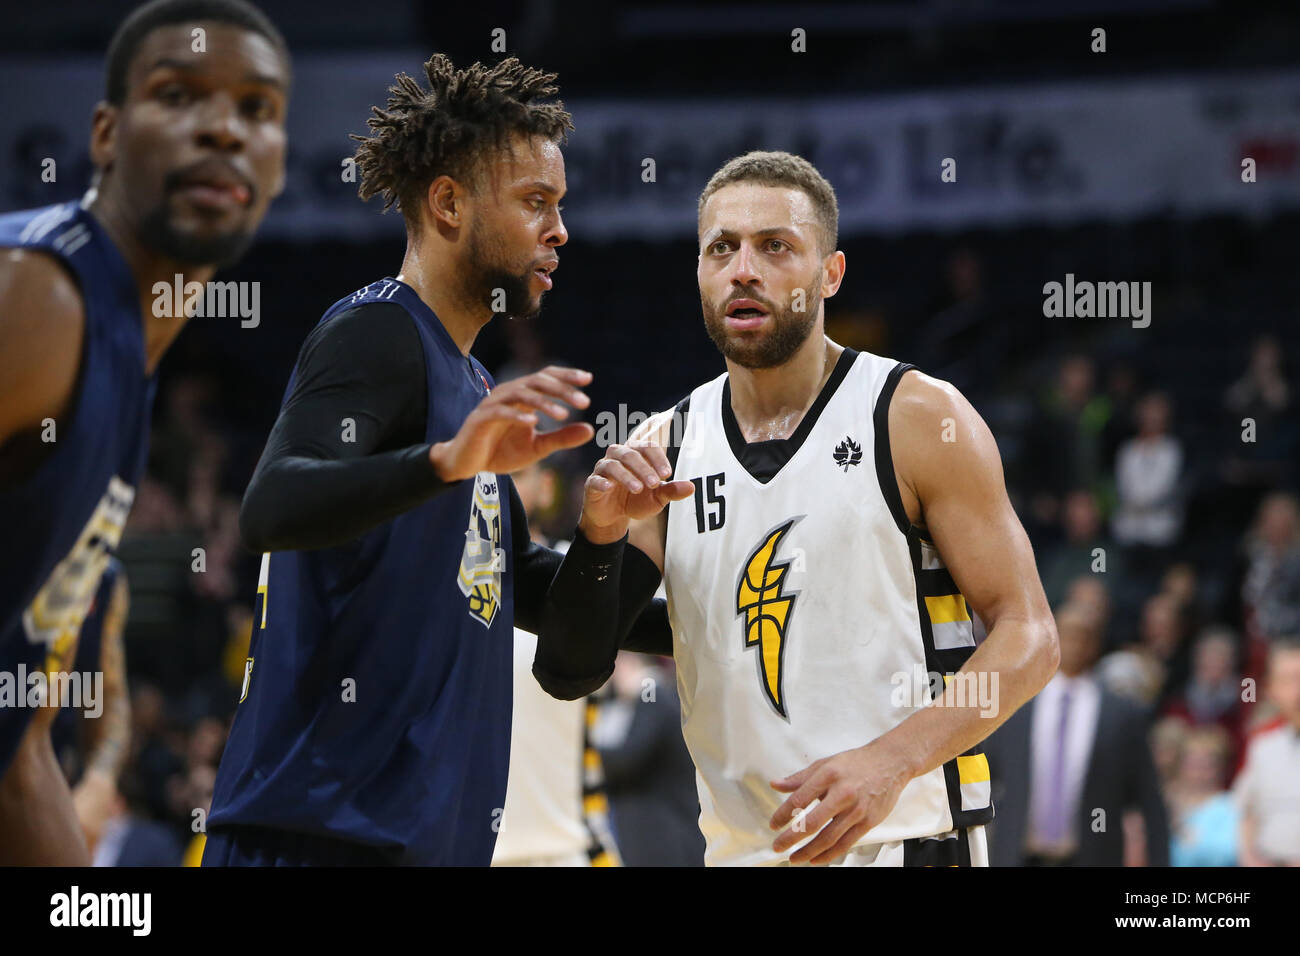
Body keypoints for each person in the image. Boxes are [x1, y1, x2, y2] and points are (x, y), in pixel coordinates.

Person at [204, 55, 670, 867]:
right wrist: (446, 461)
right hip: (322, 839)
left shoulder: (471, 380)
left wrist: (631, 561)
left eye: (559, 206)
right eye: (535, 203)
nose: (559, 230)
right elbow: (271, 506)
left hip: (414, 844)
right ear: (449, 203)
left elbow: (534, 599)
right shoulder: (378, 332)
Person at [538, 151, 1059, 866]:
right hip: (738, 853)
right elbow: (568, 670)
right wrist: (598, 537)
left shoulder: (916, 416)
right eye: (721, 248)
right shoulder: (664, 446)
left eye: (774, 246)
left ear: (830, 274)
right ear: (699, 273)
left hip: (903, 839)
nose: (743, 269)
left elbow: (1030, 636)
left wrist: (892, 760)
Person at [0, 0, 290, 864]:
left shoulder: (124, 359)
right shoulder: (39, 298)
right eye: (178, 95)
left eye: (256, 109)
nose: (223, 130)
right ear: (105, 134)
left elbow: (17, 753)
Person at [983, 605, 1170, 866]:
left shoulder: (1121, 713)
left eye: (1084, 636)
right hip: (1018, 856)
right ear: (1052, 638)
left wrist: (1160, 860)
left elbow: (1149, 797)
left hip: (1091, 857)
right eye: (1067, 634)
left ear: (1095, 644)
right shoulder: (1016, 705)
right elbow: (984, 776)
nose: (1075, 643)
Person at [1234, 638, 1300, 866]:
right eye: (1287, 680)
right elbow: (1244, 810)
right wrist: (1250, 859)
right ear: (1271, 689)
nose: (1298, 690)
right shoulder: (1261, 742)